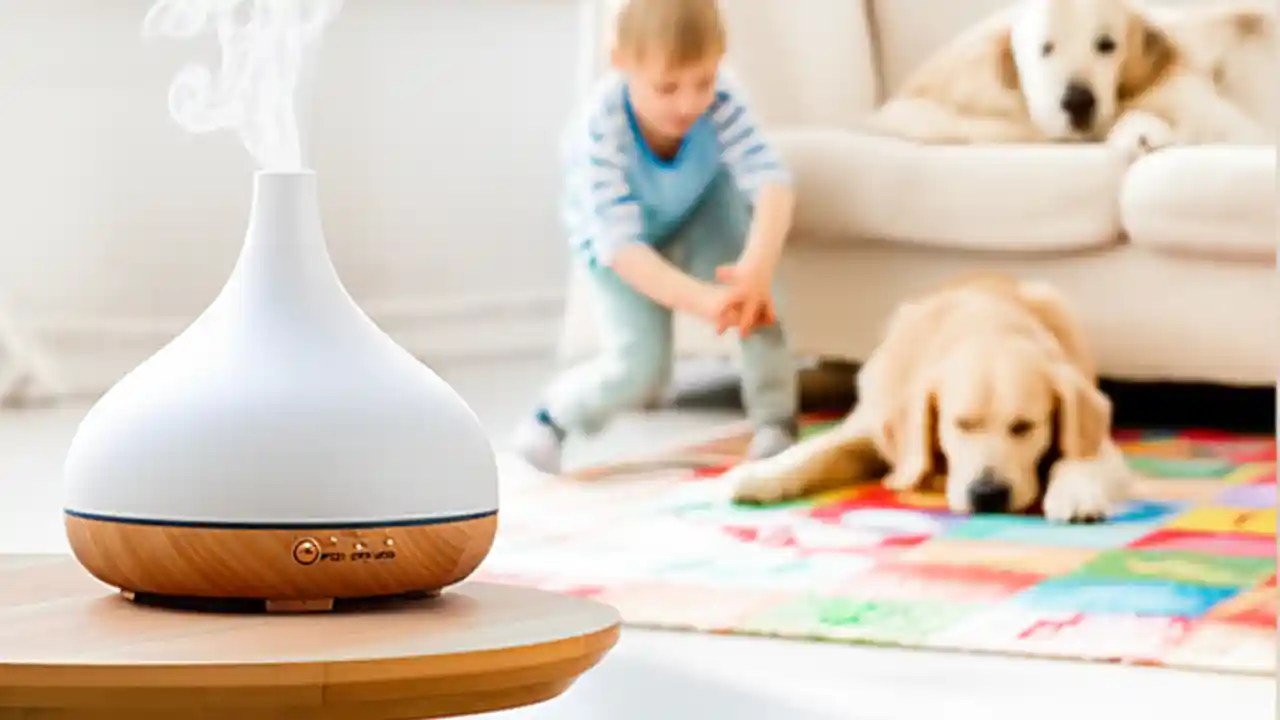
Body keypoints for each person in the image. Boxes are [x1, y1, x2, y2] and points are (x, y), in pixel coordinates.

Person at [513, 0, 798, 474]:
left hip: (701, 208)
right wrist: (703, 302)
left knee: (758, 308)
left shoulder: (723, 102)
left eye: (703, 81)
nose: (688, 103)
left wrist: (755, 270)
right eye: (667, 88)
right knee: (641, 368)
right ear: (621, 61)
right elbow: (622, 250)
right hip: (620, 247)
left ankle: (777, 422)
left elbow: (772, 183)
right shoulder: (599, 134)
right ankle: (553, 418)